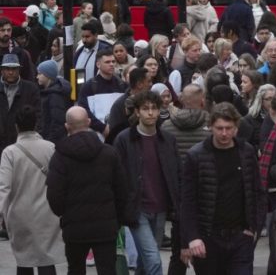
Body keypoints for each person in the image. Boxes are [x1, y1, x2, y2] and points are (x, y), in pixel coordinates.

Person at [179, 102, 263, 274]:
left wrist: (254, 227)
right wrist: (191, 237)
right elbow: (188, 200)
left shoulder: (246, 152)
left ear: (236, 128)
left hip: (240, 236)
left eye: (228, 128)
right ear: (210, 127)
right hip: (208, 237)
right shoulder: (195, 156)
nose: (224, 133)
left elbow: (257, 191)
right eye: (219, 128)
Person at [46, 106, 128, 275]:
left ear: (67, 126)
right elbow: (122, 190)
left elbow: (54, 195)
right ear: (89, 122)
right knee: (107, 270)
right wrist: (116, 219)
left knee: (75, 269)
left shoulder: (60, 156)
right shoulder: (109, 153)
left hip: (74, 227)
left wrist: (63, 214)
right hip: (105, 226)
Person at [113, 90, 180, 275]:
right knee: (154, 260)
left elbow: (175, 173)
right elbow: (116, 176)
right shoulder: (124, 139)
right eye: (145, 109)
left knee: (145, 259)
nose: (150, 113)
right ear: (137, 112)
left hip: (160, 208)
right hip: (137, 209)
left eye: (154, 108)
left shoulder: (168, 140)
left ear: (159, 111)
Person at [0, 105, 65, 274]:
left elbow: (4, 187)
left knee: (24, 262)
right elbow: (59, 181)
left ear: (16, 126)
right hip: (47, 214)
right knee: (46, 260)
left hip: (19, 216)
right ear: (36, 124)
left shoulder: (10, 153)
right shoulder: (50, 147)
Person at [76, 49, 124, 138]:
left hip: (118, 134)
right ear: (98, 64)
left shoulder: (122, 85)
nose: (112, 64)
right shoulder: (88, 86)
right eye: (107, 62)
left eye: (113, 61)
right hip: (97, 135)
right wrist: (103, 128)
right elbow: (84, 110)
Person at [1, 53, 41, 154]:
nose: (10, 72)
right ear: (2, 70)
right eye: (7, 69)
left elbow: (38, 116)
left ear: (19, 70)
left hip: (23, 146)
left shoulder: (31, 89)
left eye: (14, 69)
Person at [36, 59, 71, 144]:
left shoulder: (55, 95)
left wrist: (50, 142)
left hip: (51, 142)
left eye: (40, 74)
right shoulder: (49, 92)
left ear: (48, 75)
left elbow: (57, 122)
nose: (37, 77)